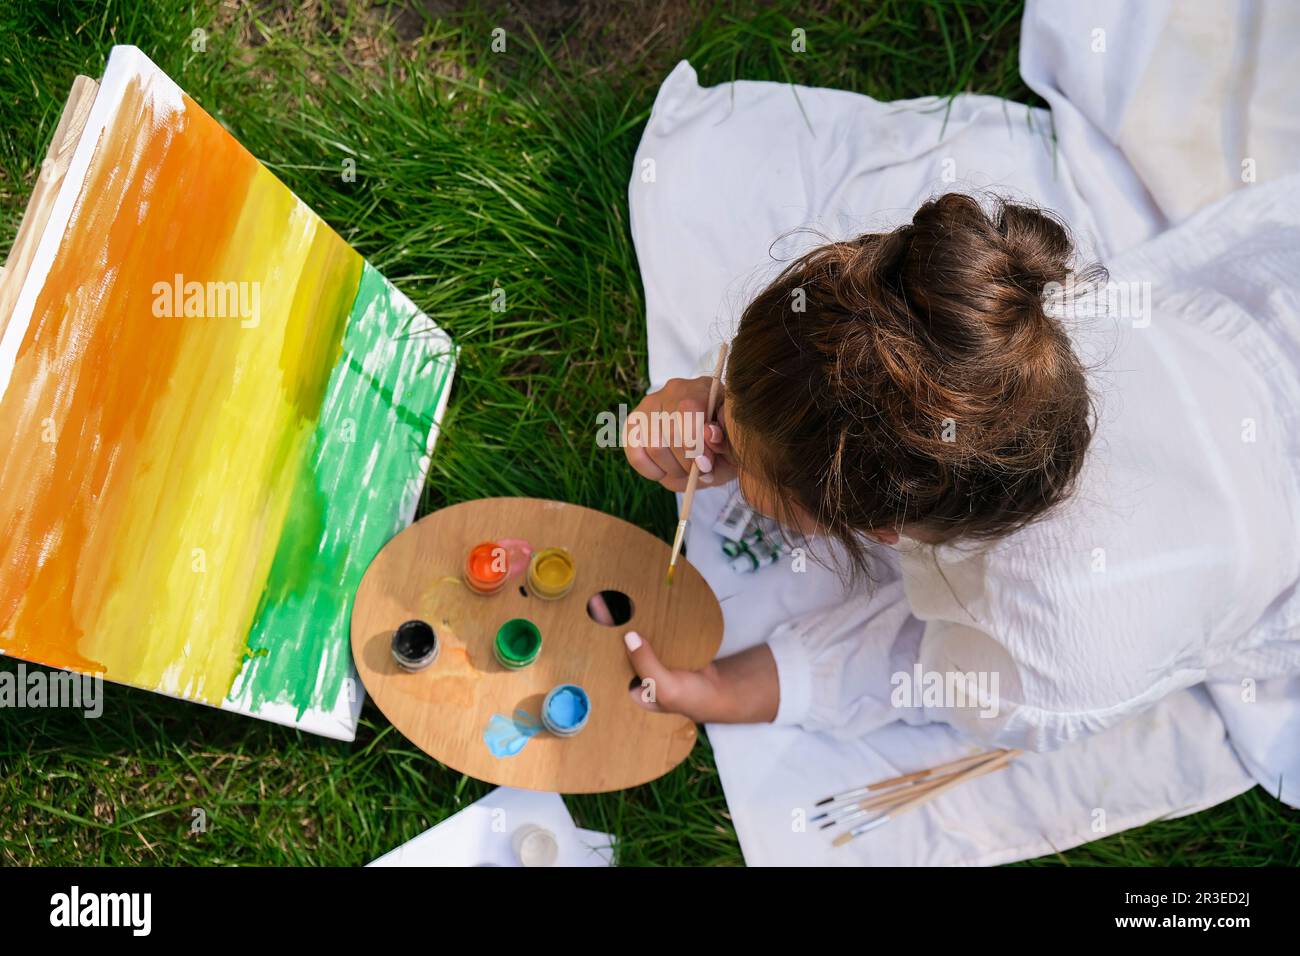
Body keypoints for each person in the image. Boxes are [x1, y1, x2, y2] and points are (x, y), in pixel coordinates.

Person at [618, 192, 1300, 749]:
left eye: (747, 468)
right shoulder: (994, 318)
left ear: (882, 532)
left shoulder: (1055, 647)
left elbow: (909, 669)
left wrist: (731, 688)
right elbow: (846, 370)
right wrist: (726, 397)